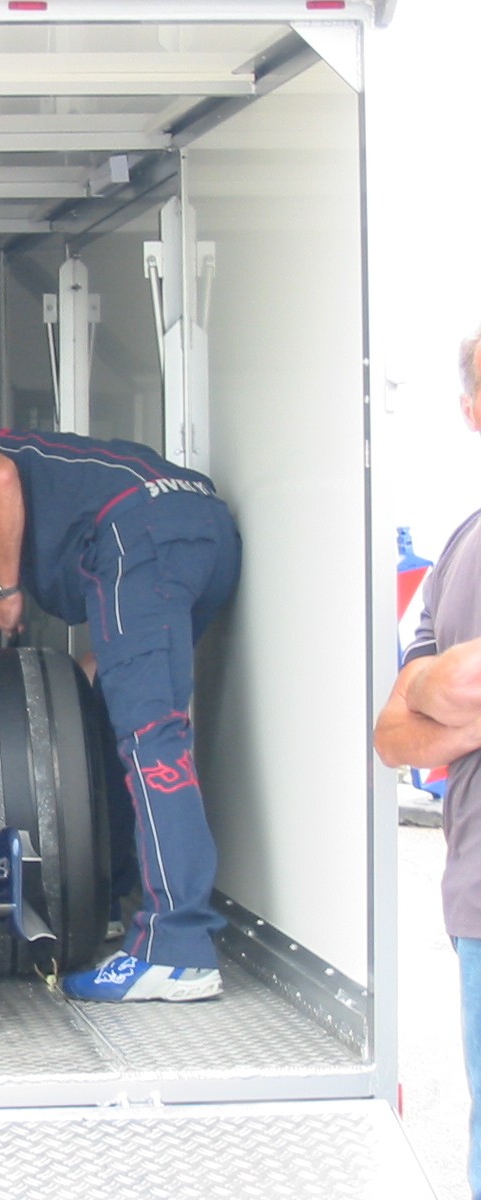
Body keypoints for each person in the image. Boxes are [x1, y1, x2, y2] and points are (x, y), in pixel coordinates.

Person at [0, 428, 242, 1002]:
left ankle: (176, 948)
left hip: (139, 534)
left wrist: (4, 587)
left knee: (151, 739)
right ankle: (121, 898)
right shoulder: (64, 472)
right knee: (119, 716)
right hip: (203, 529)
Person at [374, 325, 481, 1200]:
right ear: (471, 408)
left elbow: (446, 690)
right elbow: (391, 735)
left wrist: (435, 688)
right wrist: (436, 691)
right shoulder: (461, 550)